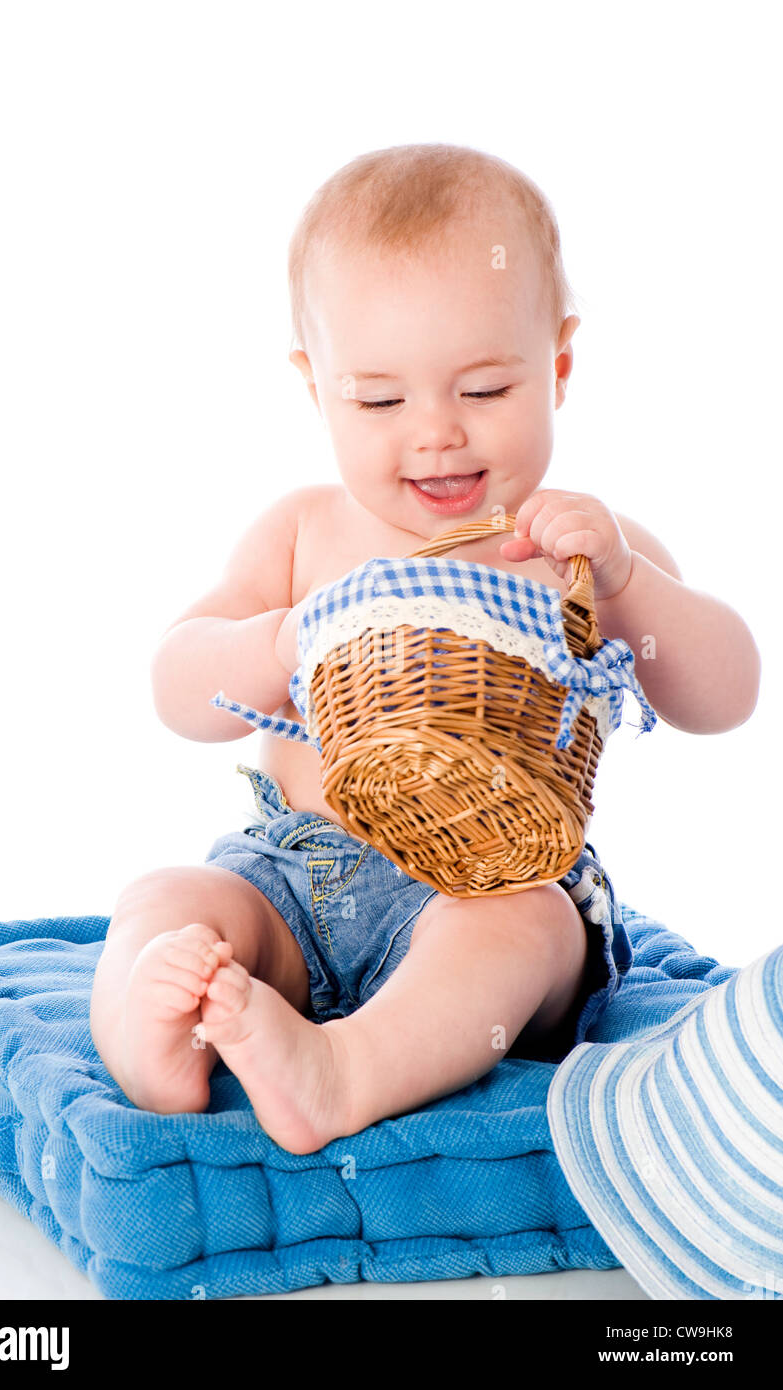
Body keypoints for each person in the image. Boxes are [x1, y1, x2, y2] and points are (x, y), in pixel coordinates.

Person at [89, 143, 760, 1153]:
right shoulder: (305, 534)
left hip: (491, 880)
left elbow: (731, 691)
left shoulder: (574, 545)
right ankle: (157, 1042)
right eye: (380, 400)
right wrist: (279, 639)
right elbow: (176, 684)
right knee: (168, 901)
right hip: (293, 875)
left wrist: (626, 585)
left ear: (558, 366)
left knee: (526, 929)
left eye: (485, 389)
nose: (436, 434)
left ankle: (342, 1071)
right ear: (316, 389)